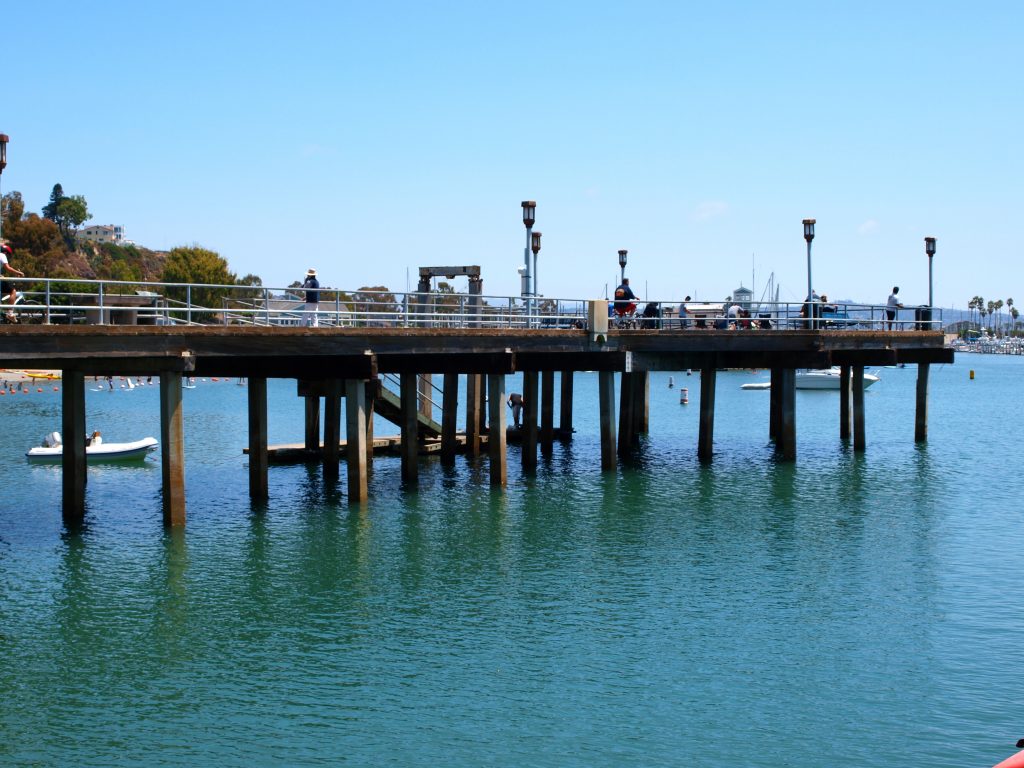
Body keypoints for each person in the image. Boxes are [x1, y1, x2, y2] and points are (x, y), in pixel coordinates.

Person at [1, 243, 25, 323]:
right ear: (6, 252)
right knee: (13, 291)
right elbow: (7, 268)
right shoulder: (2, 255)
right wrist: (18, 272)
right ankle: (10, 313)